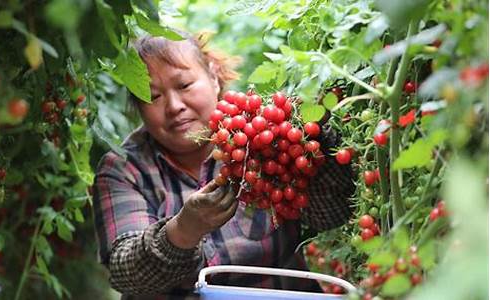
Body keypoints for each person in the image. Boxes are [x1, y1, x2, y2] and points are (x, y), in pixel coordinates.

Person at [93, 31, 355, 300]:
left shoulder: (264, 138)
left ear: (214, 76)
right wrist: (183, 231)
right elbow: (127, 274)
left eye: (184, 85)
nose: (173, 106)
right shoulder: (125, 169)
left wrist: (318, 140)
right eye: (153, 96)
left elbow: (330, 216)